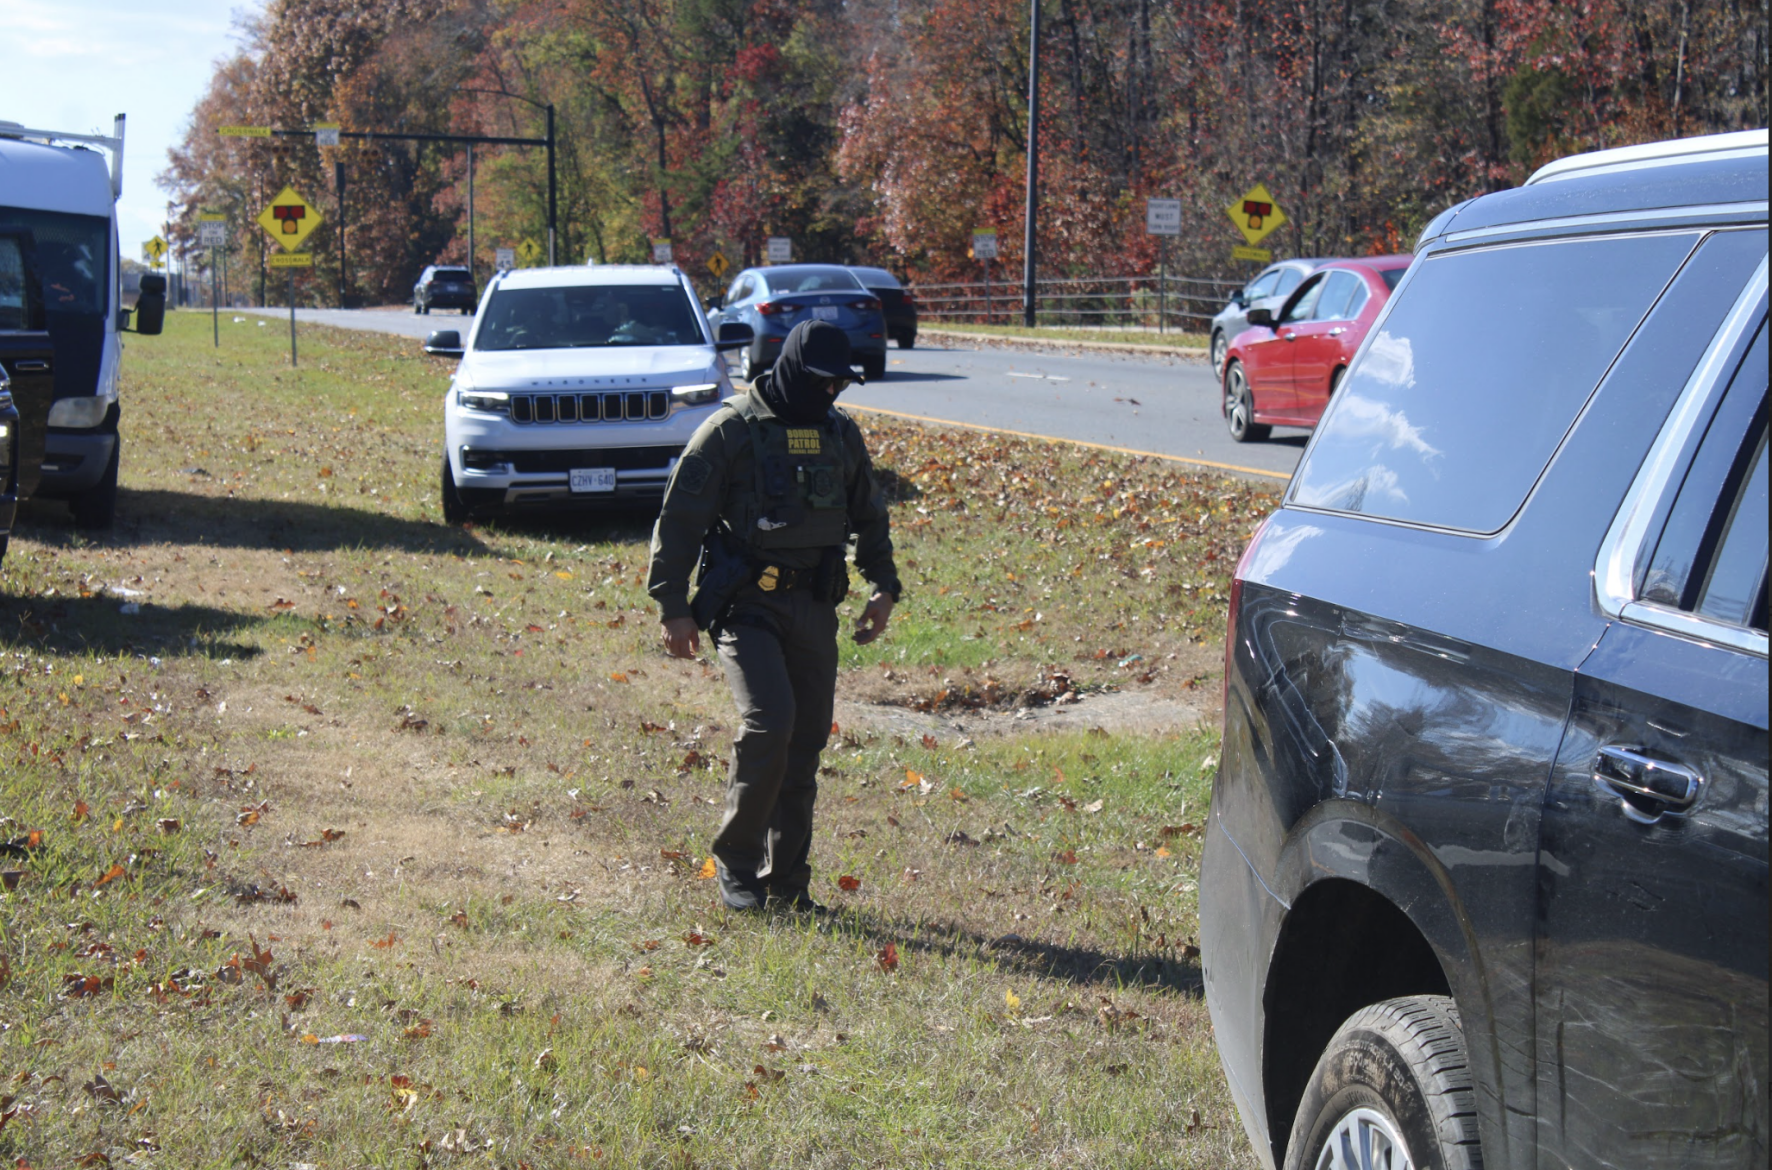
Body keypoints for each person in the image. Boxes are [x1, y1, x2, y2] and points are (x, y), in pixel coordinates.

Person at [648, 320, 902, 912]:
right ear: (791, 371)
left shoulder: (839, 434)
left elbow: (870, 514)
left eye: (840, 384)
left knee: (806, 741)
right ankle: (736, 862)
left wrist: (883, 586)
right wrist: (673, 607)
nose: (831, 394)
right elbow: (679, 520)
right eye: (822, 383)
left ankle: (787, 880)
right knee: (770, 723)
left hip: (814, 605)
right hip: (747, 605)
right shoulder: (731, 431)